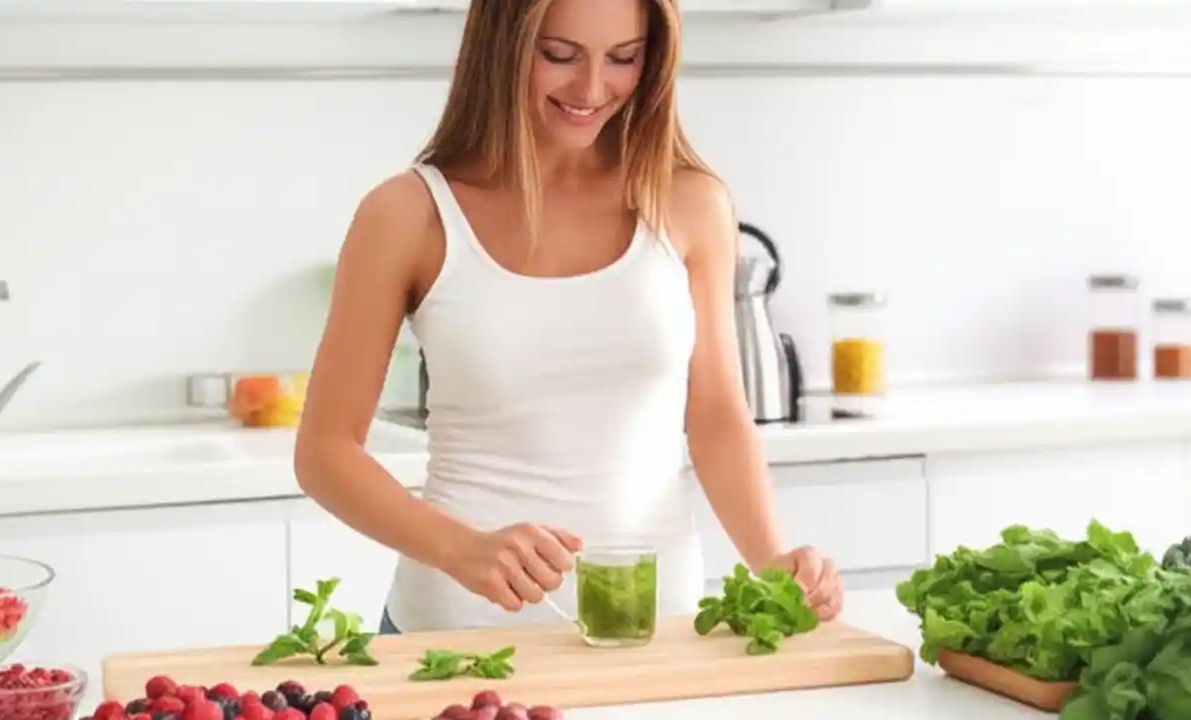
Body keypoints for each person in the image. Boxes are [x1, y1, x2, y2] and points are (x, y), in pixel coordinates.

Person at [294, 0, 844, 635]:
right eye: (558, 55)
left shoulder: (691, 202)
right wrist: (461, 548)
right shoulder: (407, 214)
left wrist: (772, 560)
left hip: (654, 629)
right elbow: (325, 452)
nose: (590, 89)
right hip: (456, 635)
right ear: (501, 46)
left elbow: (717, 412)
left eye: (623, 58)